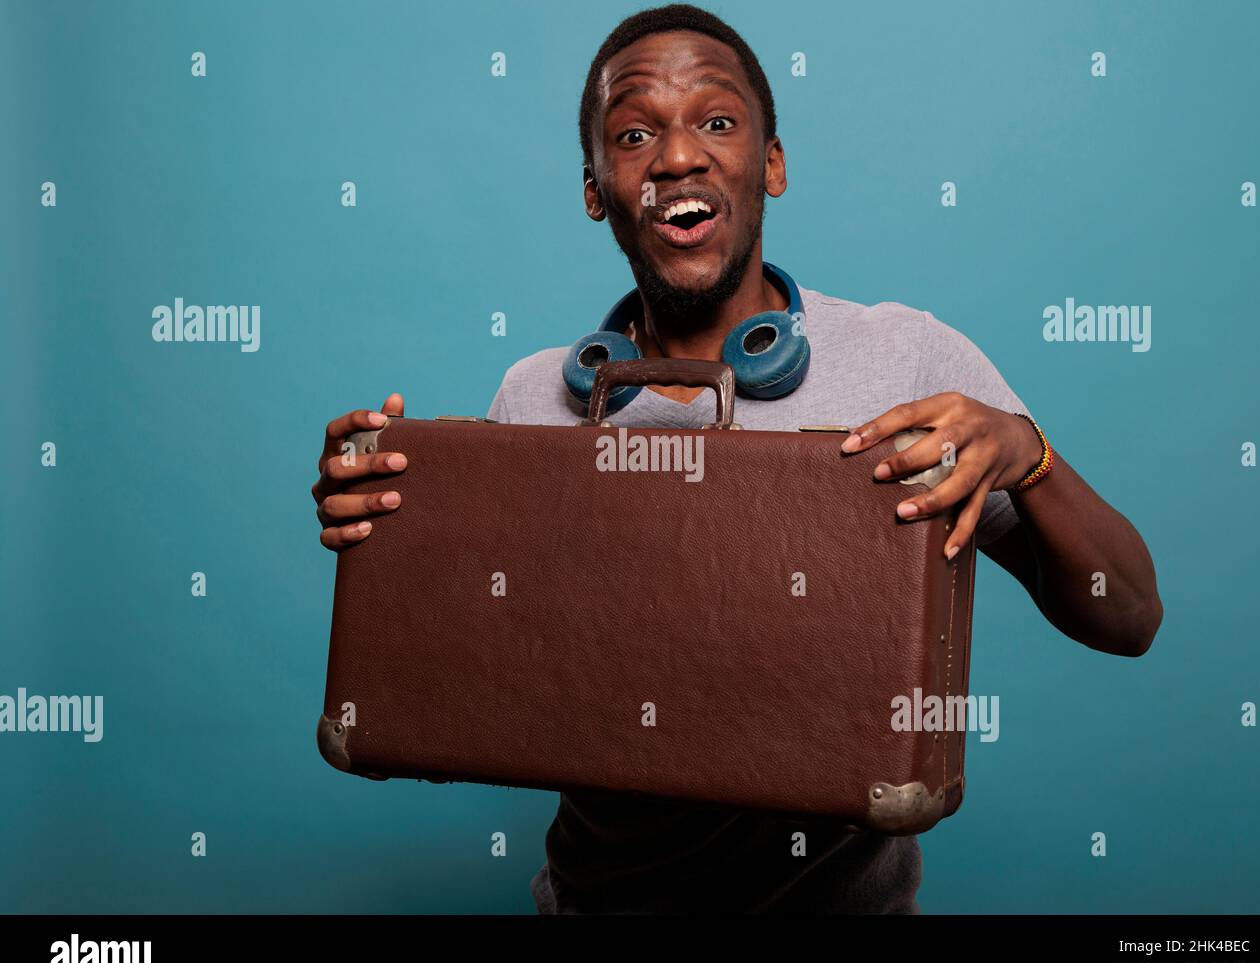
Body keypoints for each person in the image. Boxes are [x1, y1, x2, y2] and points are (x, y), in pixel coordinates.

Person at [310, 4, 1162, 914]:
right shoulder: (533, 400)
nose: (678, 156)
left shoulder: (908, 362)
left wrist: (1027, 456)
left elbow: (1128, 618)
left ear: (774, 164)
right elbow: (490, 674)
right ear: (595, 187)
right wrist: (381, 536)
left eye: (717, 122)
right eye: (634, 134)